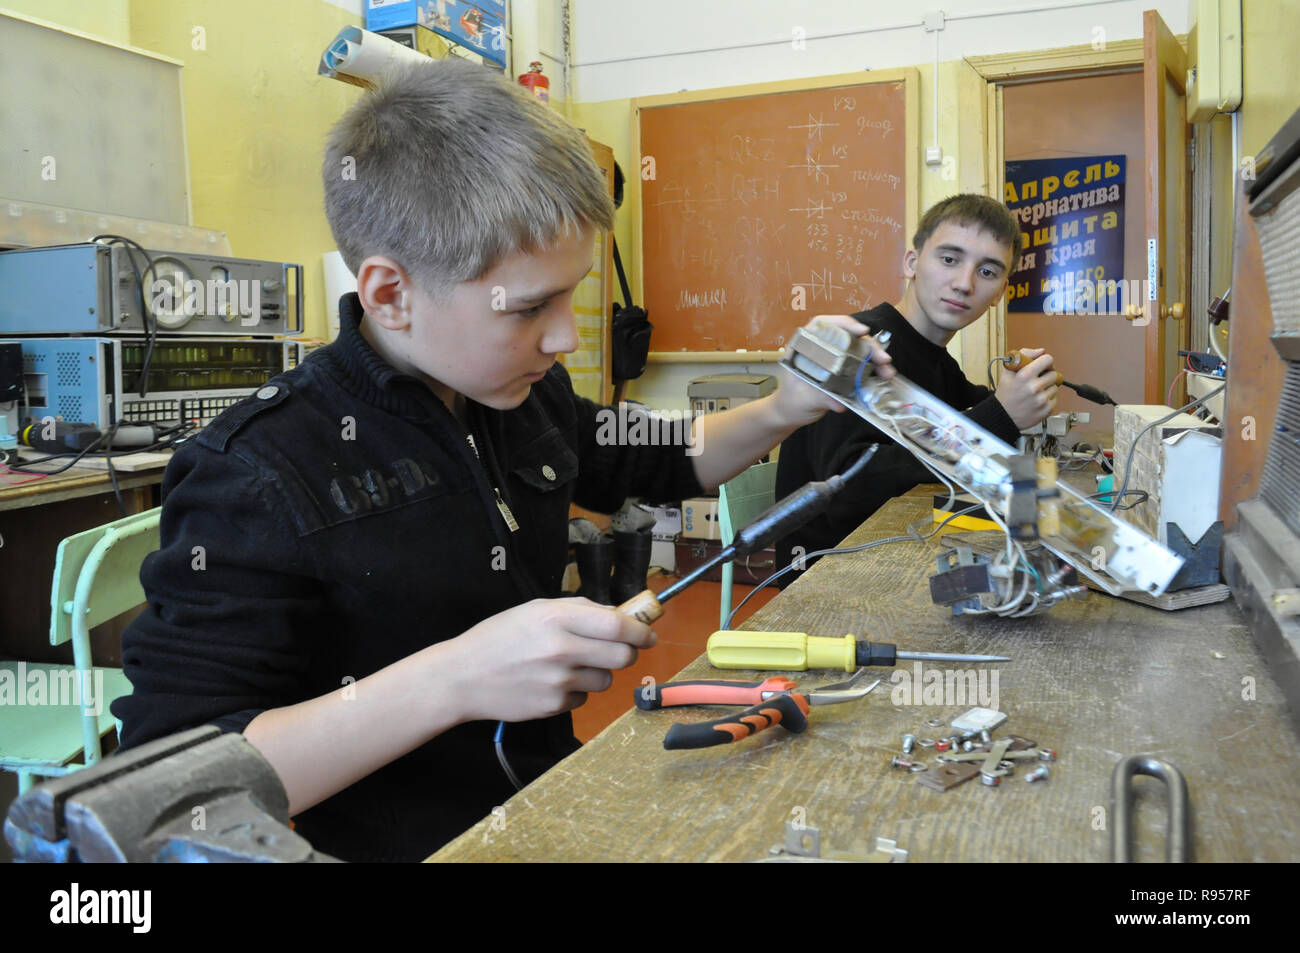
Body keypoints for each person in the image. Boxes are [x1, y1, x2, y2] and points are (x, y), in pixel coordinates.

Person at [111, 58, 891, 862]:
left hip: (554, 803)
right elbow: (171, 793)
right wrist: (456, 678)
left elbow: (660, 458)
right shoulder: (259, 471)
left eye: (571, 295)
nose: (566, 339)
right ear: (390, 294)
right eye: (529, 309)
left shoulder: (518, 392)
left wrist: (788, 406)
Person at [774, 194, 1058, 583]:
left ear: (1000, 293)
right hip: (826, 573)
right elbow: (850, 487)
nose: (964, 283)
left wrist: (1017, 394)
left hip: (895, 551)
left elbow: (960, 414)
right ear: (912, 263)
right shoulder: (858, 347)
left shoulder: (935, 359)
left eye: (988, 272)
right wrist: (1000, 416)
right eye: (949, 259)